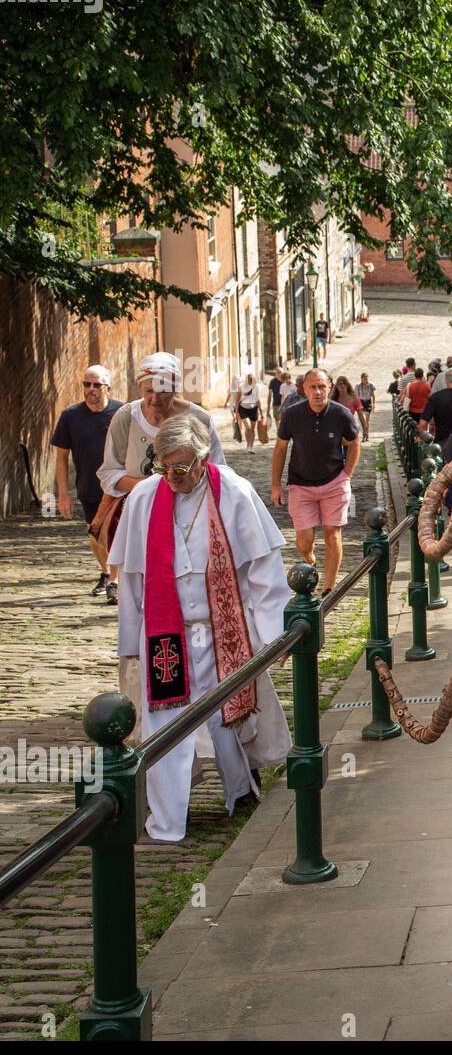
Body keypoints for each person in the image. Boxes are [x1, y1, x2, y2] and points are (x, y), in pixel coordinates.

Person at [109, 414, 291, 843]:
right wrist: (129, 641)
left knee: (226, 713)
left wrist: (274, 636)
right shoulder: (143, 499)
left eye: (182, 467)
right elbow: (132, 576)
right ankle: (167, 819)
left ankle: (240, 788)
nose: (173, 477)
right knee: (166, 723)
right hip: (163, 633)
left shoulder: (234, 492)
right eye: (164, 467)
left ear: (203, 457)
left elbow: (264, 569)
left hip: (220, 627)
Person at [94, 352, 226, 607]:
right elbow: (109, 472)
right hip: (142, 513)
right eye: (148, 390)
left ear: (175, 388)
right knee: (145, 581)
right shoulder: (126, 418)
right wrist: (150, 487)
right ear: (140, 388)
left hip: (190, 513)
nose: (155, 398)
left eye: (163, 390)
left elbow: (217, 469)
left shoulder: (197, 418)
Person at [271, 368, 360, 595]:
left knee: (332, 533)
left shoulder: (341, 414)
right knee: (304, 539)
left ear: (329, 388)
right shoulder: (292, 415)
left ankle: (328, 587)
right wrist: (276, 485)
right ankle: (309, 558)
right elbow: (281, 448)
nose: (318, 392)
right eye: (313, 387)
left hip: (334, 482)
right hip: (300, 484)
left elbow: (354, 443)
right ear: (304, 389)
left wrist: (346, 475)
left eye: (322, 386)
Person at [51, 365, 124, 603]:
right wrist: (63, 494)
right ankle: (107, 573)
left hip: (118, 486)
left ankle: (114, 580)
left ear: (108, 388)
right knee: (94, 534)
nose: (91, 389)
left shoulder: (122, 413)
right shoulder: (70, 416)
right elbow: (61, 457)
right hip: (88, 486)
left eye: (96, 385)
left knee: (113, 532)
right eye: (86, 384)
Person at [423, 367, 452, 512]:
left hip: (442, 443)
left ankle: (449, 504)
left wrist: (423, 440)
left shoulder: (436, 397)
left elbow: (423, 423)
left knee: (446, 475)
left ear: (446, 381)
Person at [228, 371, 263, 453]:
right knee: (248, 428)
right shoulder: (241, 386)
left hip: (253, 408)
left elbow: (258, 399)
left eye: (252, 379)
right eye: (249, 379)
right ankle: (248, 445)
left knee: (252, 429)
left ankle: (251, 446)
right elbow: (237, 398)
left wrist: (261, 411)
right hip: (243, 408)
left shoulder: (256, 387)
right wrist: (236, 411)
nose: (250, 380)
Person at [355, 372, 375, 441]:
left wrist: (374, 404)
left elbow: (373, 395)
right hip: (361, 402)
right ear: (361, 379)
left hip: (368, 402)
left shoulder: (371, 385)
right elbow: (356, 396)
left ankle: (367, 435)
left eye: (367, 379)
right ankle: (364, 434)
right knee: (363, 420)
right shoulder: (358, 386)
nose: (366, 380)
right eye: (364, 379)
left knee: (367, 420)